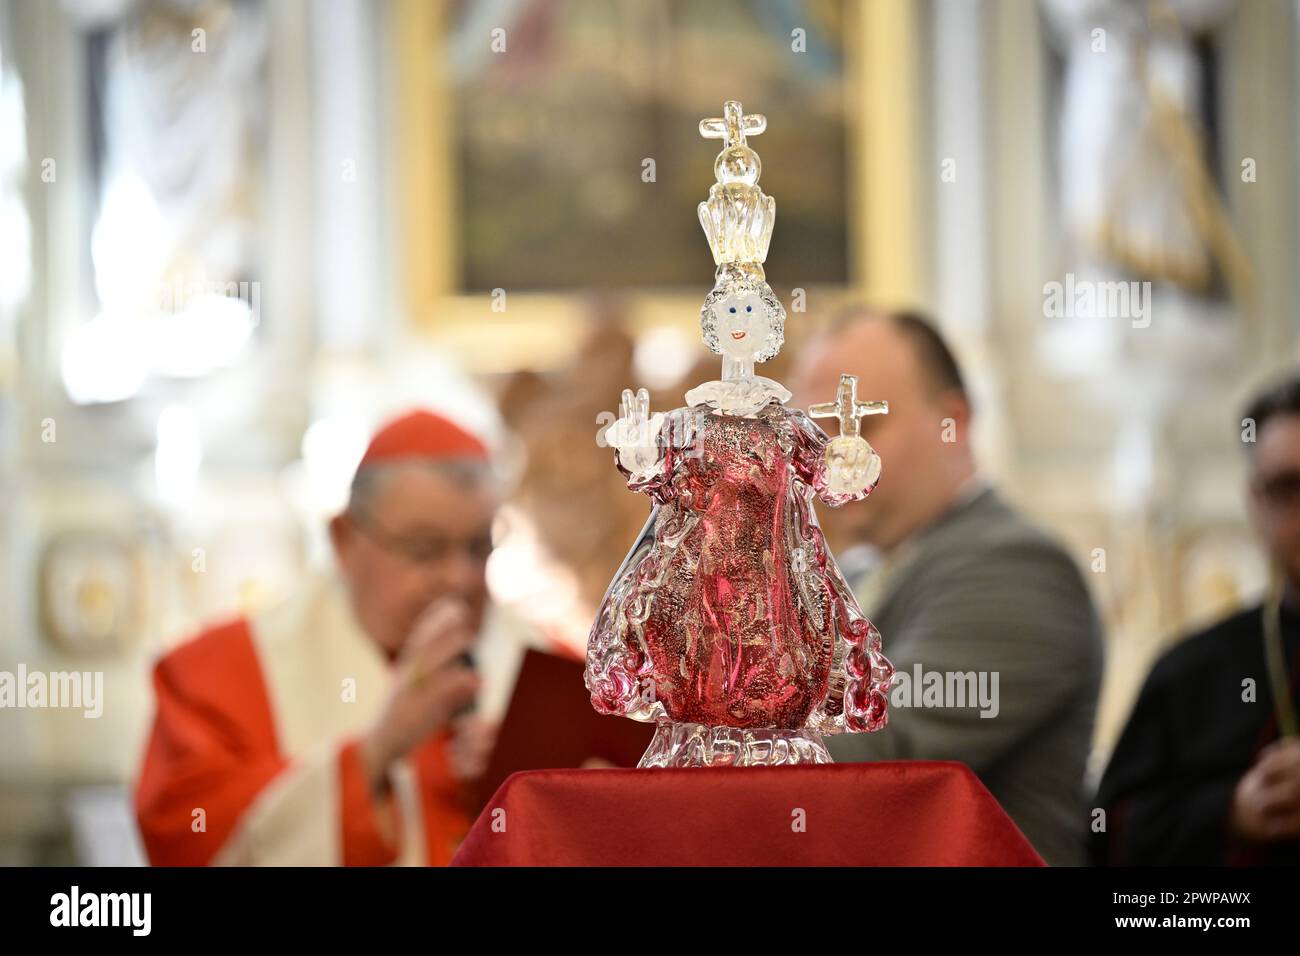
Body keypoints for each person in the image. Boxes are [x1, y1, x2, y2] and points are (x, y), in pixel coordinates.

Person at [791, 307, 1104, 867]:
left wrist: (706, 757)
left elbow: (884, 748)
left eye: (863, 422)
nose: (832, 456)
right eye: (821, 431)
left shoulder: (1018, 567)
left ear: (952, 420)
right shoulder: (859, 572)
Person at [135, 410, 501, 865]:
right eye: (424, 549)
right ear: (345, 539)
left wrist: (523, 785)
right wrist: (376, 752)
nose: (458, 579)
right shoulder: (216, 672)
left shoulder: (556, 666)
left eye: (478, 548)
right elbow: (186, 836)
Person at [1092, 374, 1300, 865]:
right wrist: (1233, 812)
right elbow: (1108, 831)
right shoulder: (1192, 670)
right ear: (1255, 502)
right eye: (1288, 488)